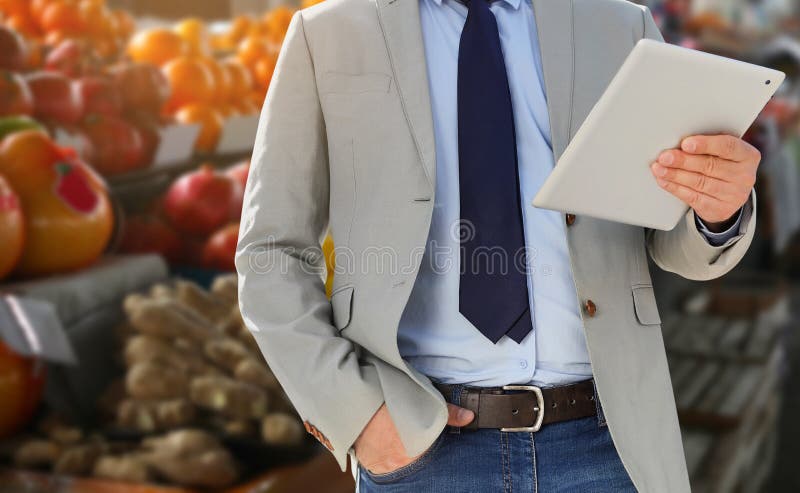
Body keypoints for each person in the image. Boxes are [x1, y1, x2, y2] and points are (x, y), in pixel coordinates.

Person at [235, 0, 759, 491]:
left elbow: (667, 241)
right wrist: (356, 414)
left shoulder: (620, 26)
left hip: (609, 449)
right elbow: (271, 251)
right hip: (422, 448)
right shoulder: (327, 33)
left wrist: (717, 211)